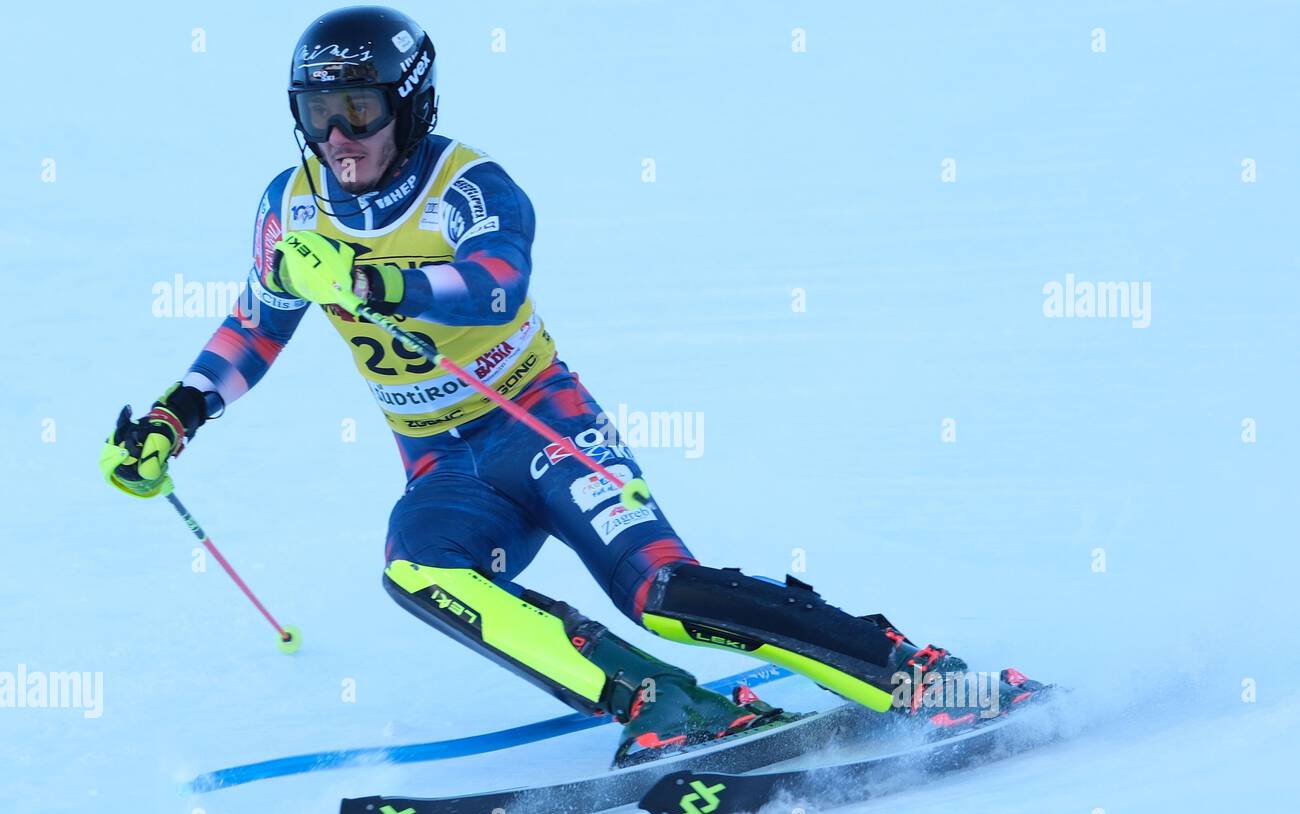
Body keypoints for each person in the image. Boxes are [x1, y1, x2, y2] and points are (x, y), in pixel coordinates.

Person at [101, 6, 1044, 768]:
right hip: (443, 465)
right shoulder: (290, 205)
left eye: (362, 109)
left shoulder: (472, 186)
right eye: (319, 113)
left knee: (663, 593)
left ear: (411, 104)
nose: (341, 137)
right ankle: (658, 701)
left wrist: (367, 280)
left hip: (541, 426)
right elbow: (254, 328)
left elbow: (492, 287)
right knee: (416, 569)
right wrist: (171, 421)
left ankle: (921, 676)